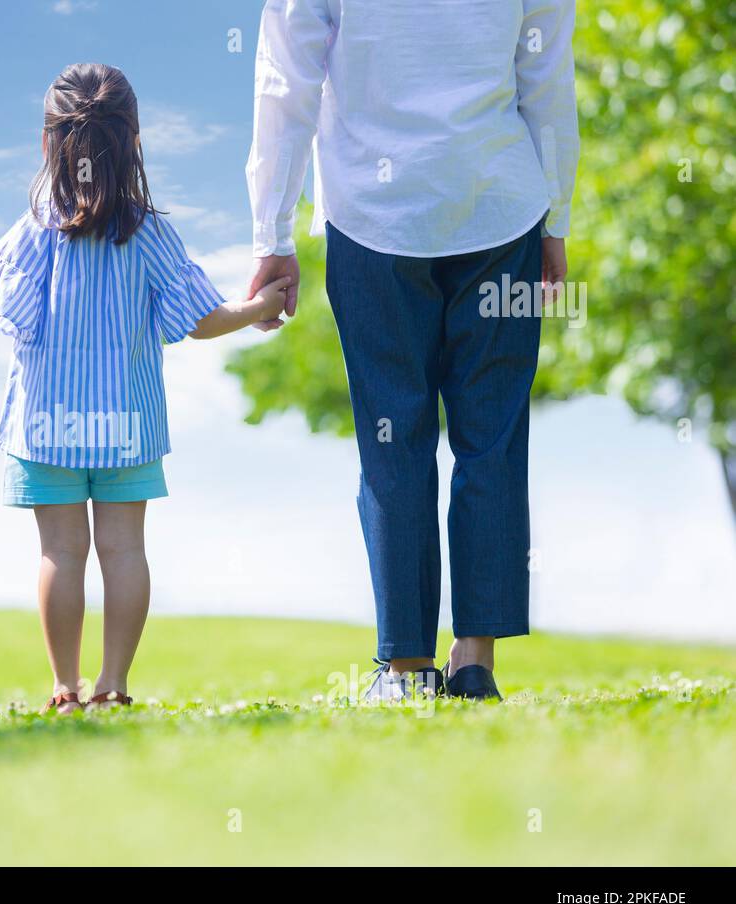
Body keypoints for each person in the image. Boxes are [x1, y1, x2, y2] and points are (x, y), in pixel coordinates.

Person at [0, 63, 289, 714]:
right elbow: (201, 321)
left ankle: (64, 687)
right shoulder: (149, 232)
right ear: (133, 142)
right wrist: (259, 308)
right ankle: (114, 684)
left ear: (50, 144)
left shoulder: (35, 229)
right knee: (125, 550)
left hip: (45, 425)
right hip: (128, 422)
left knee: (60, 553)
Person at [245, 0, 579, 701]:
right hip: (498, 206)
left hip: (373, 215)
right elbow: (545, 74)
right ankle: (475, 658)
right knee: (493, 436)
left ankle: (403, 670)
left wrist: (272, 234)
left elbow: (287, 77)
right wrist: (557, 215)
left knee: (391, 437)